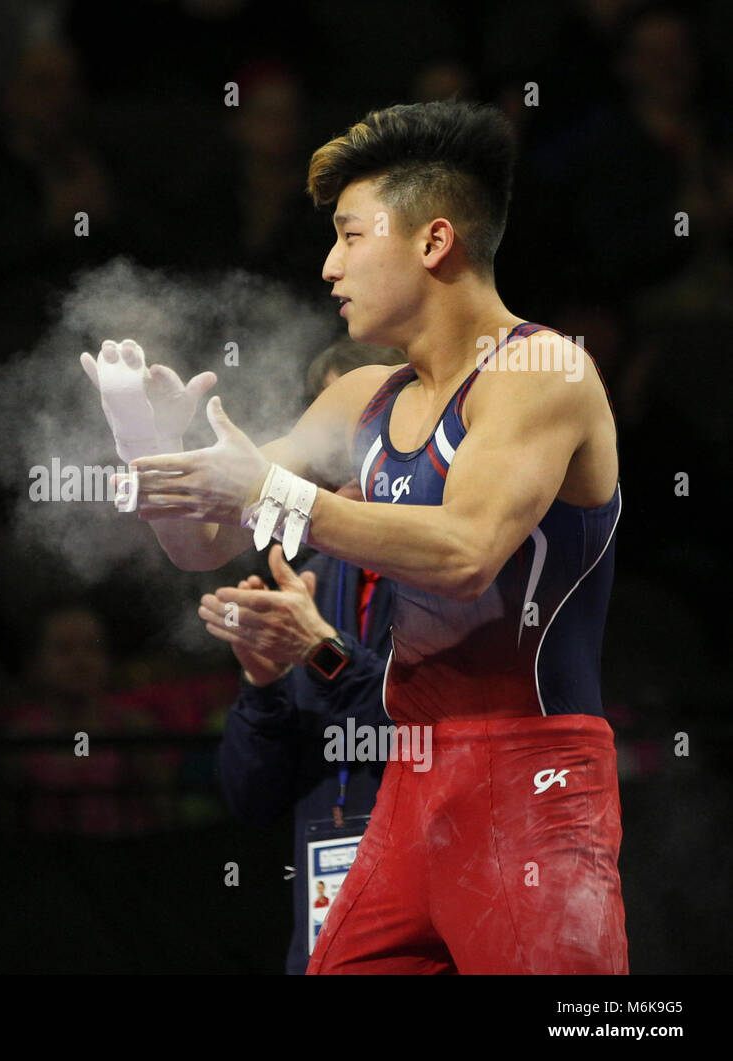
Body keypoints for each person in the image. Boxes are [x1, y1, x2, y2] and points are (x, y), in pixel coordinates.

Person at [82, 100, 626, 974]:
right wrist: (155, 450)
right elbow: (206, 541)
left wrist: (270, 485)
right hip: (410, 779)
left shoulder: (540, 370)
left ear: (433, 241)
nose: (330, 264)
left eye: (349, 235)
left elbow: (463, 554)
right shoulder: (360, 399)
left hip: (529, 777)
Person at [214, 340, 400, 975]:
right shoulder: (311, 577)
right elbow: (251, 800)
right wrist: (261, 683)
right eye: (319, 425)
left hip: (438, 909)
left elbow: (423, 735)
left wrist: (319, 652)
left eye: (353, 424)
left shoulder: (462, 569)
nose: (330, 452)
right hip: (328, 928)